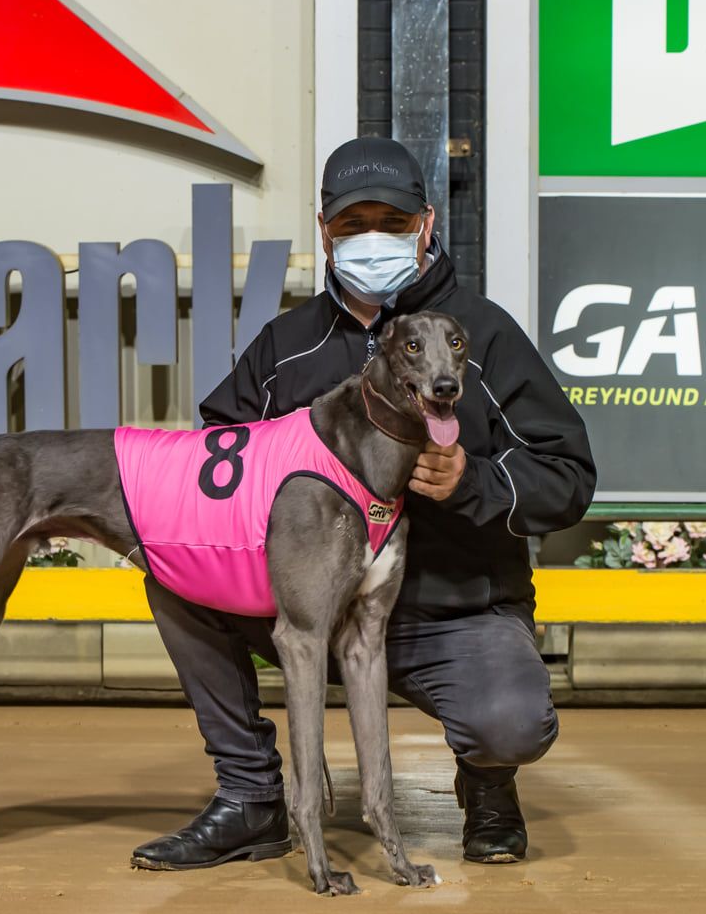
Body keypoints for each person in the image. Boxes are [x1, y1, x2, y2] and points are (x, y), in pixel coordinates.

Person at [131, 136, 596, 870]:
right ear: (325, 231)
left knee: (510, 721)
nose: (372, 237)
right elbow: (217, 461)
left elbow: (568, 474)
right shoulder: (287, 346)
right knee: (176, 575)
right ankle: (252, 795)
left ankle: (488, 781)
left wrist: (472, 482)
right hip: (314, 610)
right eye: (353, 224)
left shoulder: (483, 335)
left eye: (392, 221)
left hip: (451, 616)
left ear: (426, 224)